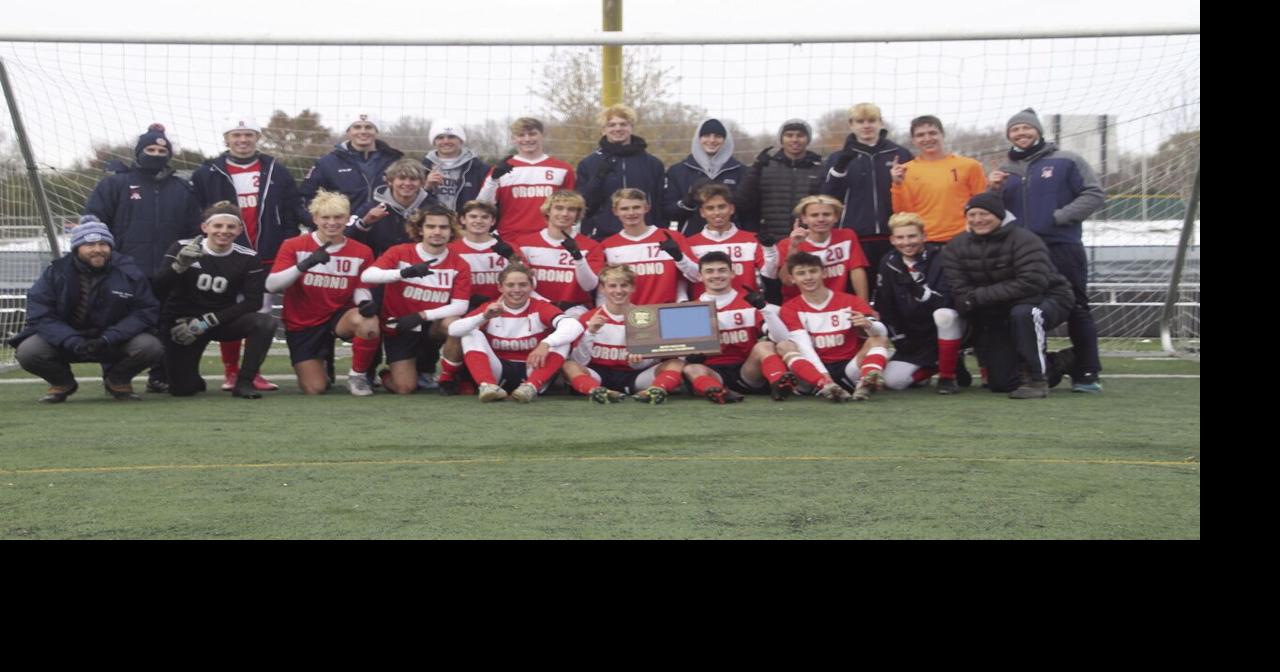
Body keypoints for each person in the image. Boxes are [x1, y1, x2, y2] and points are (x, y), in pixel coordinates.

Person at [988, 108, 1107, 393]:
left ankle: (1087, 372)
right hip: (1023, 254)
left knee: (1077, 306)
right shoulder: (1005, 172)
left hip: (1062, 246)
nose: (1021, 133)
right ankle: (1038, 369)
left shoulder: (1067, 160)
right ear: (1009, 135)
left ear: (1039, 131)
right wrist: (992, 190)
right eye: (1015, 129)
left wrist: (1059, 217)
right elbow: (992, 213)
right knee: (1026, 310)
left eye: (1026, 128)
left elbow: (1094, 194)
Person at [192, 114, 306, 393]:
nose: (242, 140)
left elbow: (291, 209)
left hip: (267, 253)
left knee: (262, 312)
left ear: (258, 138)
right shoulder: (208, 172)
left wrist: (287, 241)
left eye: (248, 135)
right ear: (226, 139)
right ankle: (231, 372)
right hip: (226, 254)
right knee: (229, 311)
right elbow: (196, 211)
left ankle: (252, 372)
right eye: (236, 135)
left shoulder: (276, 170)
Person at [84, 122, 201, 392]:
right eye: (150, 148)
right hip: (123, 270)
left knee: (166, 321)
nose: (156, 153)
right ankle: (114, 375)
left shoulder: (182, 189)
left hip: (169, 270)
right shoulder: (115, 184)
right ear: (138, 152)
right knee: (117, 323)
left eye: (162, 149)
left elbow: (194, 230)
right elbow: (94, 223)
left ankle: (160, 375)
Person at [10, 218, 163, 402]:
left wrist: (109, 338)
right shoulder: (55, 273)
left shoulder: (129, 272)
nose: (97, 249)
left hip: (112, 341)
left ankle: (117, 380)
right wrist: (70, 339)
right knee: (29, 351)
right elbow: (40, 314)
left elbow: (146, 312)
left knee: (150, 346)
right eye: (89, 244)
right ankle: (62, 383)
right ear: (76, 248)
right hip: (67, 341)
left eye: (103, 244)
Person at [940, 193, 1076, 398]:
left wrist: (979, 296)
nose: (978, 220)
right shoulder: (956, 246)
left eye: (984, 214)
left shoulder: (1025, 239)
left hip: (1047, 298)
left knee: (1025, 313)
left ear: (999, 215)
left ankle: (1037, 380)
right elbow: (960, 292)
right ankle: (1066, 360)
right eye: (972, 214)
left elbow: (1031, 283)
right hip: (999, 310)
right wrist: (977, 300)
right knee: (1003, 383)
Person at [152, 202, 277, 399]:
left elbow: (254, 302)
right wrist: (177, 268)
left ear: (239, 230)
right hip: (182, 324)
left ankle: (244, 382)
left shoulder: (248, 257)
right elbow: (157, 289)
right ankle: (191, 377)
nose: (224, 231)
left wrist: (206, 322)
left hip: (219, 321)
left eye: (230, 227)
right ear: (205, 227)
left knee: (265, 322)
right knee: (183, 389)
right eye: (218, 226)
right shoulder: (182, 247)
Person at [265, 191, 378, 395]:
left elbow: (361, 288)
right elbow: (272, 285)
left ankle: (358, 376)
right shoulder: (294, 245)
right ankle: (323, 362)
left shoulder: (362, 251)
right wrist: (305, 265)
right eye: (325, 217)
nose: (332, 223)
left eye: (338, 217)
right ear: (315, 219)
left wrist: (364, 303)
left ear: (347, 218)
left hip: (339, 316)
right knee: (315, 388)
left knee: (368, 321)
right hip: (303, 321)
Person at [354, 205, 471, 395]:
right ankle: (386, 374)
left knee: (454, 324)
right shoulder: (400, 252)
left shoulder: (460, 263)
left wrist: (422, 315)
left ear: (452, 231)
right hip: (401, 325)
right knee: (405, 387)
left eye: (443, 227)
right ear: (420, 229)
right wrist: (403, 273)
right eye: (431, 227)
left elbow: (460, 305)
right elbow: (368, 276)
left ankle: (449, 378)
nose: (437, 232)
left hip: (430, 325)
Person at [448, 263, 585, 402]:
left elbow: (575, 326)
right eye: (511, 285)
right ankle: (487, 386)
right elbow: (453, 329)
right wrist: (483, 317)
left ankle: (530, 387)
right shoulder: (491, 308)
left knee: (561, 341)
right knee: (471, 333)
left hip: (533, 370)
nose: (517, 290)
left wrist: (546, 343)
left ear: (532, 287)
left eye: (523, 285)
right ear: (500, 287)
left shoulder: (540, 307)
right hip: (499, 371)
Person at [680, 252, 797, 403]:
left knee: (765, 345)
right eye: (709, 271)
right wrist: (690, 356)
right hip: (713, 371)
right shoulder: (691, 308)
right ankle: (718, 392)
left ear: (732, 273)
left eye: (722, 270)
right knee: (690, 368)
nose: (716, 275)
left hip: (747, 371)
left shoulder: (749, 302)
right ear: (700, 276)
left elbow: (782, 338)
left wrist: (764, 309)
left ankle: (779, 383)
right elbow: (680, 351)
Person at [561, 264, 687, 404]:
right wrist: (590, 332)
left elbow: (650, 361)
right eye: (612, 286)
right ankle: (596, 391)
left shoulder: (646, 317)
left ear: (633, 287)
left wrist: (638, 362)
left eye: (624, 285)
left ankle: (655, 391)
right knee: (569, 366)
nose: (619, 291)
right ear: (603, 289)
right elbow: (580, 361)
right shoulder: (588, 317)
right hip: (599, 375)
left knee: (676, 363)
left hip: (635, 376)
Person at [775, 252, 891, 402]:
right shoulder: (790, 308)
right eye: (801, 273)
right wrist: (825, 379)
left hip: (848, 368)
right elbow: (804, 347)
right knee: (784, 345)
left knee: (878, 338)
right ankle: (826, 386)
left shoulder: (850, 301)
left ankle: (866, 383)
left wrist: (869, 325)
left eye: (813, 271)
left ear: (823, 273)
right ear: (792, 278)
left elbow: (882, 333)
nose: (808, 277)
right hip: (813, 371)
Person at [874, 213, 968, 394]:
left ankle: (947, 377)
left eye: (912, 236)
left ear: (924, 237)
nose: (906, 242)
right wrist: (898, 336)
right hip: (914, 334)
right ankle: (943, 362)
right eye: (900, 237)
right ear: (892, 240)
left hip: (945, 327)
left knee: (944, 315)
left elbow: (945, 301)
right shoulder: (888, 261)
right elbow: (885, 304)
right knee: (893, 382)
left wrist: (914, 287)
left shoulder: (942, 257)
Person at [821, 103, 915, 273]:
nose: (866, 126)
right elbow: (828, 198)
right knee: (860, 291)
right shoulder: (838, 157)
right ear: (851, 125)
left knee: (892, 289)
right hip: (854, 235)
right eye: (860, 121)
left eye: (872, 120)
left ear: (880, 123)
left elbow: (914, 191)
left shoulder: (900, 153)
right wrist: (840, 169)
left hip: (896, 235)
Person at [589, 188, 701, 305]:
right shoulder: (607, 246)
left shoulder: (672, 237)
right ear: (615, 211)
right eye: (624, 209)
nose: (631, 213)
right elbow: (603, 289)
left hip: (667, 310)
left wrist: (680, 258)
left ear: (646, 208)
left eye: (636, 207)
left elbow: (697, 276)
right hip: (628, 314)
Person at [890, 115, 987, 245]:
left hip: (964, 239)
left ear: (942, 135)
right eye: (920, 135)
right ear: (913, 140)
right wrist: (897, 184)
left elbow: (982, 203)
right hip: (925, 242)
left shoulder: (969, 166)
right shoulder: (905, 171)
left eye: (932, 133)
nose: (927, 138)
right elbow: (903, 214)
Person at [575, 104, 666, 239]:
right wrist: (598, 178)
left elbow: (660, 203)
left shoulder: (652, 163)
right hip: (602, 235)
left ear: (631, 128)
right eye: (611, 125)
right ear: (603, 130)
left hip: (645, 236)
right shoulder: (588, 163)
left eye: (623, 124)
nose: (618, 129)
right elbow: (583, 205)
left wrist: (661, 232)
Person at [476, 117, 576, 240]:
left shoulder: (563, 169)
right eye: (521, 135)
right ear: (513, 139)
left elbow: (573, 207)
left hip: (551, 239)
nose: (527, 139)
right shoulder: (501, 170)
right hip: (510, 238)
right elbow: (481, 205)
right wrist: (493, 179)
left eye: (532, 134)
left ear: (542, 136)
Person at [300, 113, 404, 220]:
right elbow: (305, 197)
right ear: (348, 131)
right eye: (357, 127)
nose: (363, 131)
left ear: (376, 131)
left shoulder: (394, 161)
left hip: (384, 230)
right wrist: (321, 225)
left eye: (368, 127)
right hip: (343, 231)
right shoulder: (327, 163)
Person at [512, 190, 601, 314]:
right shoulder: (524, 243)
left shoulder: (591, 246)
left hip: (575, 309)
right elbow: (522, 283)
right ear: (548, 211)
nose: (565, 213)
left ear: (577, 214)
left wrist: (578, 257)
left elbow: (589, 286)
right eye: (559, 208)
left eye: (571, 209)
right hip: (534, 307)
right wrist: (547, 305)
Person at [736, 119, 825, 239]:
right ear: (781, 139)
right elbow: (743, 202)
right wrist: (755, 168)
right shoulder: (765, 166)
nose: (795, 140)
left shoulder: (820, 168)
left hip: (808, 238)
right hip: (771, 240)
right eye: (789, 135)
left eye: (800, 135)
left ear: (808, 139)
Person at [685, 183, 776, 298]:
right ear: (702, 212)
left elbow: (770, 274)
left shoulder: (752, 239)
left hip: (746, 307)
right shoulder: (690, 243)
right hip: (706, 309)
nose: (717, 213)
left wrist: (770, 249)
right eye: (710, 208)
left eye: (722, 207)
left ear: (732, 209)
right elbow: (689, 279)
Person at [776, 195, 871, 302]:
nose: (821, 219)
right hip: (800, 307)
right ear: (804, 219)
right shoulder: (787, 244)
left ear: (836, 217)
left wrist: (863, 305)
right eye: (814, 215)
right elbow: (787, 281)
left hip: (838, 304)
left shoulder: (847, 236)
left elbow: (857, 270)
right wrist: (793, 248)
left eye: (826, 214)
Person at [663, 118, 747, 236]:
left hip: (731, 240)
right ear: (698, 139)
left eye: (718, 136)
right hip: (691, 239)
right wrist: (689, 200)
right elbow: (669, 211)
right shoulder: (677, 171)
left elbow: (748, 210)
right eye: (706, 135)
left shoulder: (740, 170)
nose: (712, 140)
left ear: (725, 140)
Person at [348, 158, 440, 258]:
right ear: (390, 181)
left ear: (422, 183)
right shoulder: (373, 206)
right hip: (380, 267)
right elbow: (347, 237)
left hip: (420, 266)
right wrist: (365, 223)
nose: (407, 183)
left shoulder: (433, 208)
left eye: (413, 179)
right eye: (402, 178)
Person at [449, 200, 513, 308]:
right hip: (463, 308)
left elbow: (530, 281)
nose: (478, 221)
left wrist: (513, 258)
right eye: (473, 216)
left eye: (484, 217)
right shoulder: (450, 249)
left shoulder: (509, 248)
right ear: (463, 219)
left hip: (502, 308)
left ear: (493, 221)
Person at [422, 119, 488, 212]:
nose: (446, 141)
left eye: (451, 137)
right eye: (440, 137)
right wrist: (427, 187)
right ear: (434, 142)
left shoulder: (478, 168)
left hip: (465, 223)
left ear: (461, 140)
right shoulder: (423, 167)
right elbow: (414, 201)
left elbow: (488, 201)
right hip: (434, 224)